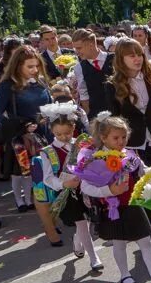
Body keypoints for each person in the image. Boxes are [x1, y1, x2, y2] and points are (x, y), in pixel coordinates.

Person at [78, 113, 151, 283]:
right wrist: (108, 191)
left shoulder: (130, 155)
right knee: (119, 243)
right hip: (113, 208)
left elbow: (144, 172)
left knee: (146, 241)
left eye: (124, 137)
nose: (121, 141)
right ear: (103, 138)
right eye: (116, 138)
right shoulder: (95, 158)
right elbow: (86, 186)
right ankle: (125, 275)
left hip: (133, 205)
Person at [105, 38, 151, 257]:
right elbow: (113, 119)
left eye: (139, 54)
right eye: (131, 55)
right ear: (121, 59)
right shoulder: (112, 86)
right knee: (146, 190)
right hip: (133, 144)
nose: (137, 59)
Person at [32, 103, 101, 266]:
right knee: (82, 223)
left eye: (67, 133)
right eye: (58, 133)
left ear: (74, 128)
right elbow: (48, 178)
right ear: (52, 131)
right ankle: (93, 257)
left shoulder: (82, 144)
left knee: (88, 221)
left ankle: (78, 239)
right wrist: (64, 184)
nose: (63, 136)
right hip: (67, 193)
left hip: (86, 189)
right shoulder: (47, 151)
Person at [0, 45, 53, 212]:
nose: (35, 70)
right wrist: (23, 125)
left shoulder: (41, 82)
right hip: (21, 137)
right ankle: (21, 199)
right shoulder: (8, 85)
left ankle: (39, 198)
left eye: (37, 66)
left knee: (42, 170)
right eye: (30, 66)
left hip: (44, 134)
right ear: (18, 65)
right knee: (21, 171)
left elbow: (49, 105)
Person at [72, 28, 115, 119]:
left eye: (79, 48)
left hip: (119, 112)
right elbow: (84, 96)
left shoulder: (114, 58)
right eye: (75, 48)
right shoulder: (79, 68)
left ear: (91, 44)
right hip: (97, 115)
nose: (76, 52)